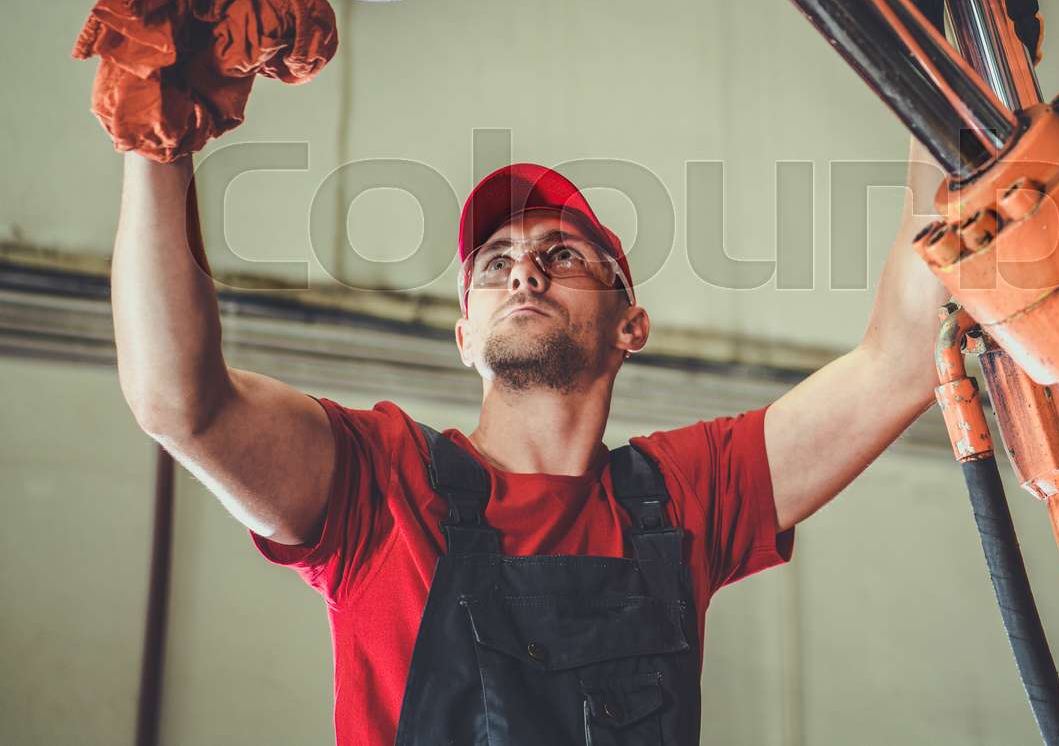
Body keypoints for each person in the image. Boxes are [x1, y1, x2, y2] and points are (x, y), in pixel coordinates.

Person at [112, 146, 947, 745]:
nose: (524, 271)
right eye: (496, 262)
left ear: (632, 324)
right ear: (464, 332)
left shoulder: (685, 496)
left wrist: (938, 110)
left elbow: (902, 361)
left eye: (563, 254)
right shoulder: (380, 482)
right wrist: (156, 143)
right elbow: (181, 402)